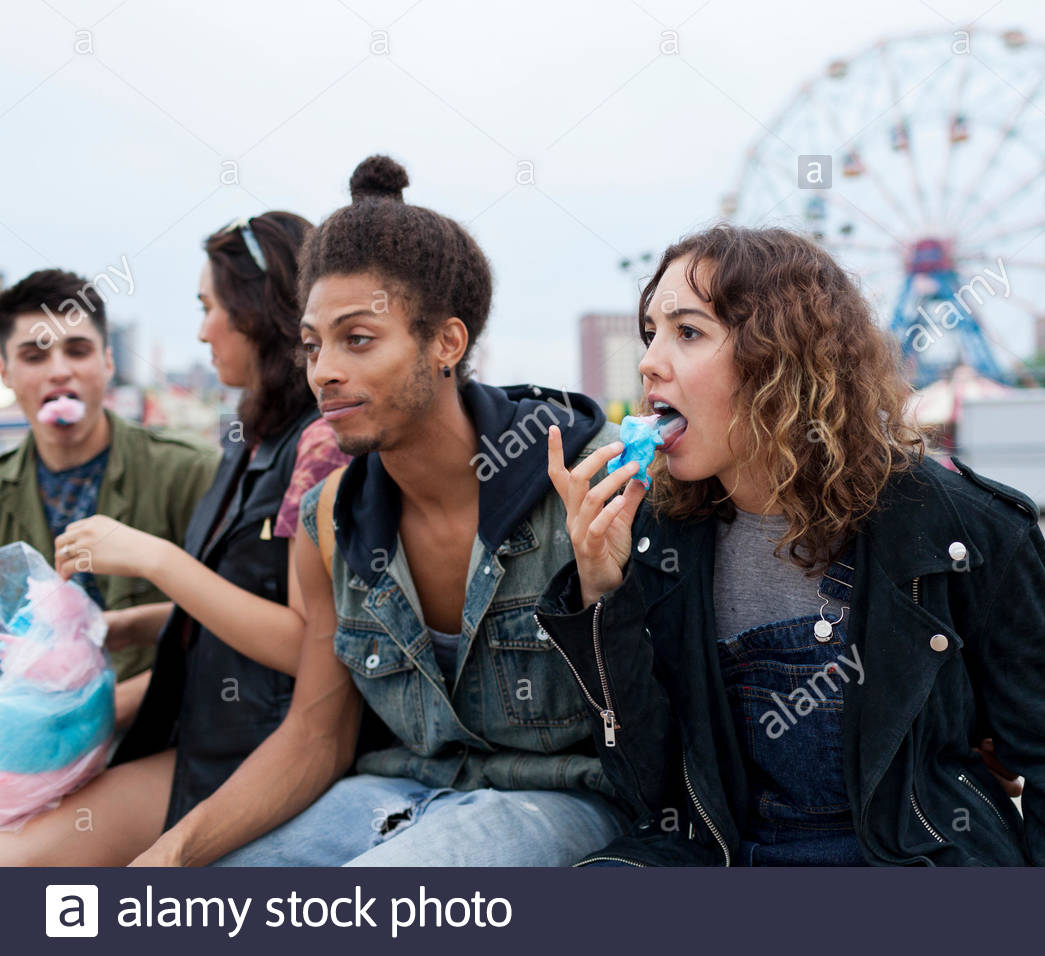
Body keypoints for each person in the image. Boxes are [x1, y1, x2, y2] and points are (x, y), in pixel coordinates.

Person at [538, 225, 1045, 866]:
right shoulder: (656, 534)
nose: (650, 361)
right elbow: (649, 787)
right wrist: (602, 590)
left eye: (688, 332)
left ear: (779, 359)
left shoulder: (964, 528)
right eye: (650, 333)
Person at [128, 156, 627, 868]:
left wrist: (604, 593)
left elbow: (668, 701)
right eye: (312, 345)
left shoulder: (582, 476)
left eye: (357, 339)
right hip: (399, 791)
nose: (324, 370)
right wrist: (173, 853)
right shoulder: (329, 518)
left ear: (447, 343)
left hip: (561, 798)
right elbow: (316, 736)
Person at [0, 211, 348, 865]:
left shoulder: (310, 448)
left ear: (254, 312)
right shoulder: (251, 441)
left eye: (209, 307)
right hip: (191, 731)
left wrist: (155, 560)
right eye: (34, 355)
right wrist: (133, 624)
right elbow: (235, 603)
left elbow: (313, 647)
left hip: (236, 746)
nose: (201, 330)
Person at [0, 269, 219, 708]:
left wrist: (103, 714)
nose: (59, 371)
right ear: (5, 372)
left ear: (108, 363)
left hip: (164, 729)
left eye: (77, 351)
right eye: (35, 356)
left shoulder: (191, 472)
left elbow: (234, 629)